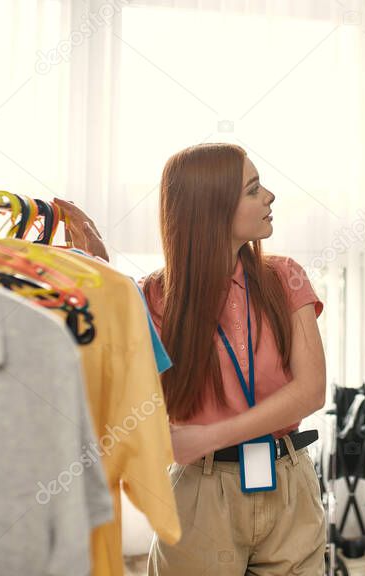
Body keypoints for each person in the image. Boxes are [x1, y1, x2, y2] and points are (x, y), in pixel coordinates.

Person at [136, 143, 328, 575]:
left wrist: (209, 435)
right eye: (253, 190)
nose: (269, 197)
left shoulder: (285, 276)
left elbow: (310, 391)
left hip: (289, 482)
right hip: (200, 493)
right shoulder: (153, 296)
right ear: (213, 207)